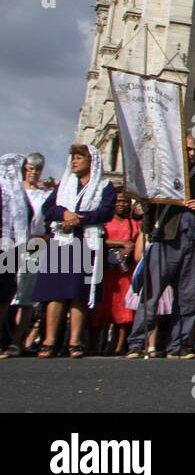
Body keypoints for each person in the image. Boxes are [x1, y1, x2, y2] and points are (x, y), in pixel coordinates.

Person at [126, 134, 195, 360]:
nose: (192, 154)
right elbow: (146, 205)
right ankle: (137, 343)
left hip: (192, 241)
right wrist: (139, 214)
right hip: (165, 239)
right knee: (151, 294)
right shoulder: (163, 177)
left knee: (186, 296)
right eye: (188, 149)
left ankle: (178, 345)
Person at [32, 145, 117, 359]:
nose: (74, 162)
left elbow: (106, 211)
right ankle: (49, 340)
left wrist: (79, 219)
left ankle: (75, 341)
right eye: (73, 158)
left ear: (91, 161)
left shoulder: (104, 186)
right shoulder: (64, 185)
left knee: (78, 292)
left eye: (79, 158)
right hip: (61, 240)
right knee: (55, 292)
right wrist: (64, 214)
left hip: (85, 241)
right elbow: (48, 208)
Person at [5, 153, 51, 356]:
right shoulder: (11, 191)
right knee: (7, 292)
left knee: (25, 295)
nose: (34, 172)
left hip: (33, 245)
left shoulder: (44, 195)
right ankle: (5, 337)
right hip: (11, 244)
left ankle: (17, 340)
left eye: (38, 169)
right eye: (30, 168)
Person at [89, 191, 140, 356]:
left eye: (125, 201)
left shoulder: (134, 224)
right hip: (105, 269)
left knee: (123, 310)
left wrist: (131, 247)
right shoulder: (104, 222)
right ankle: (94, 344)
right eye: (118, 201)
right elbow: (98, 239)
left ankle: (119, 345)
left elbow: (138, 241)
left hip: (124, 272)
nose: (121, 204)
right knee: (101, 308)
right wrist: (122, 243)